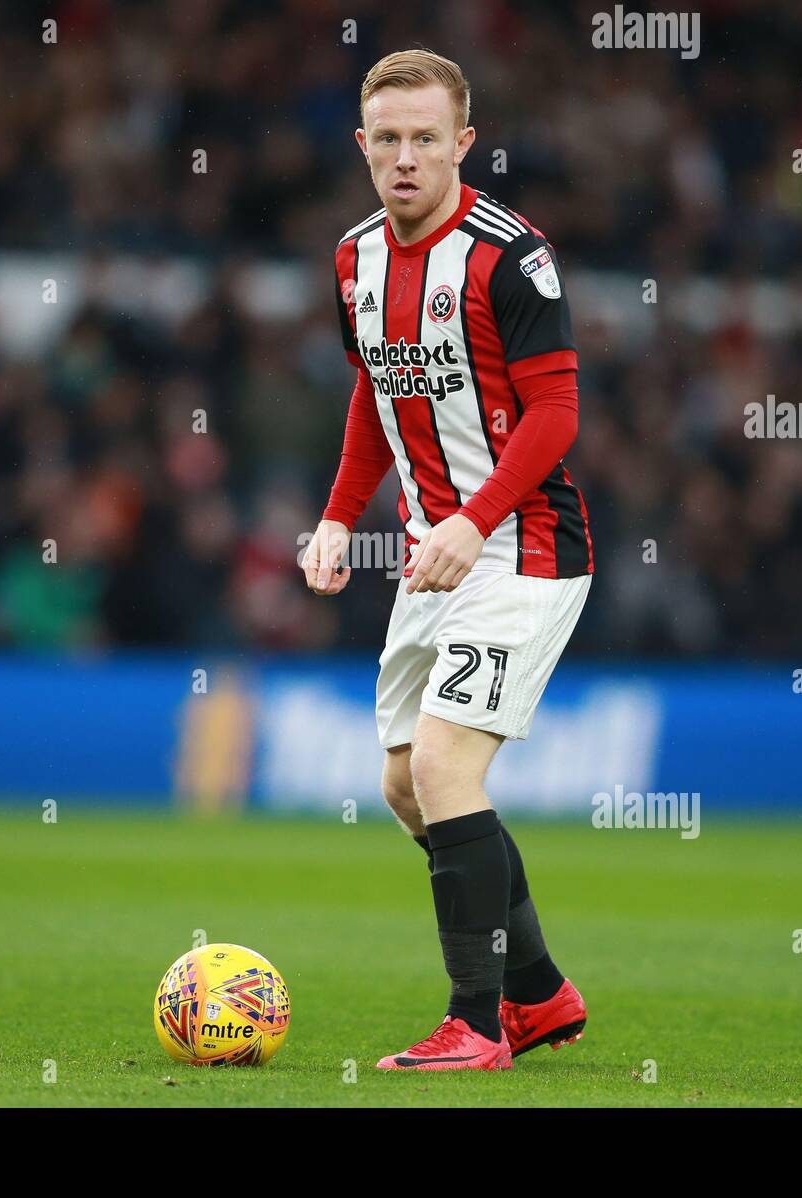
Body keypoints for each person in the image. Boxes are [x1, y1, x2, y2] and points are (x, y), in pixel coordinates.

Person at [301, 48, 594, 1070]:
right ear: (362, 147)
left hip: (524, 547)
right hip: (437, 551)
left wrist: (473, 518)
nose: (405, 158)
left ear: (463, 143)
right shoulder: (351, 259)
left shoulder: (509, 256)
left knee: (443, 763)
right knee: (402, 784)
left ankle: (476, 1023)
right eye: (387, 139)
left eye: (426, 137)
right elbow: (377, 392)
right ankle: (540, 991)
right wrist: (339, 515)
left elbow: (554, 410)